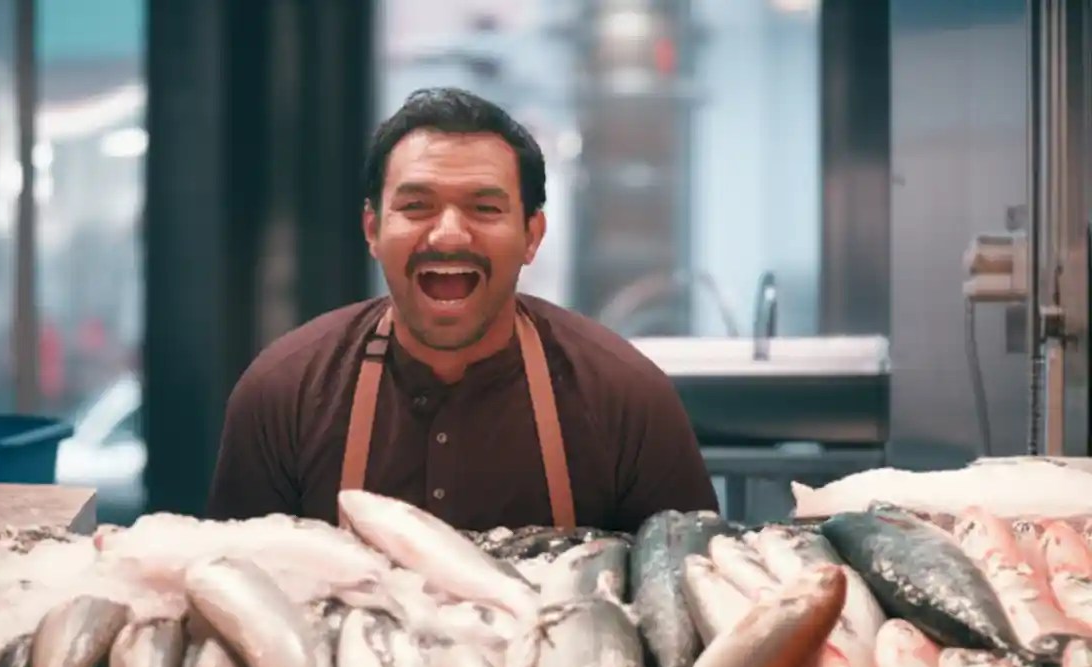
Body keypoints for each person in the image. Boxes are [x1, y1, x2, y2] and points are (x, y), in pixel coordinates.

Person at [206, 87, 718, 532]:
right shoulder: (283, 394)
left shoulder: (625, 398)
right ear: (372, 231)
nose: (449, 233)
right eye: (416, 206)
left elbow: (682, 593)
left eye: (485, 208)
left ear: (531, 235)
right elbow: (233, 595)